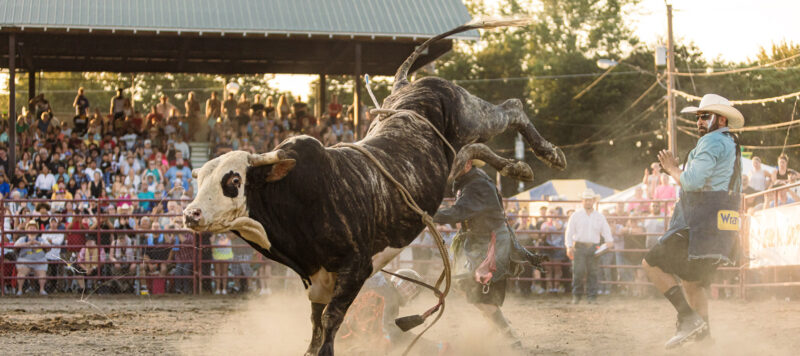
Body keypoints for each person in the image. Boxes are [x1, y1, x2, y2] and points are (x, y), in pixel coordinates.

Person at [644, 93, 744, 349]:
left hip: (699, 223)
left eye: (705, 116)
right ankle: (705, 338)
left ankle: (688, 318)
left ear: (721, 119)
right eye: (698, 116)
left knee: (651, 264)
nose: (699, 121)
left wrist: (673, 169)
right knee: (692, 281)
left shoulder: (711, 142)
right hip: (720, 228)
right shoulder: (731, 142)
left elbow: (692, 182)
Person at [433, 159, 548, 349]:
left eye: (456, 164)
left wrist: (429, 214)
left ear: (468, 164)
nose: (450, 168)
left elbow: (458, 212)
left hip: (490, 244)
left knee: (482, 295)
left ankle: (509, 337)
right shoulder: (467, 181)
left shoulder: (477, 184)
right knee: (465, 287)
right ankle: (499, 326)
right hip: (477, 241)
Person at [337, 269, 450, 355]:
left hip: (345, 328)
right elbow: (391, 330)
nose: (412, 294)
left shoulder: (383, 287)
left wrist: (420, 318)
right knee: (401, 337)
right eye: (413, 290)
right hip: (353, 336)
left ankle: (435, 348)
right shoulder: (388, 296)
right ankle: (436, 349)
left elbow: (390, 325)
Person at [564, 189, 614, 304]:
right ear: (582, 201)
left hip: (594, 247)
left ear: (593, 201)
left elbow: (606, 230)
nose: (587, 202)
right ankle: (577, 296)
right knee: (578, 272)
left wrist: (609, 240)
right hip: (580, 247)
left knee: (593, 272)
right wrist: (569, 246)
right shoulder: (576, 216)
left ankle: (591, 297)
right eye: (586, 200)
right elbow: (569, 232)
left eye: (589, 200)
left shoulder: (599, 216)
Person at [15, 220, 51, 295]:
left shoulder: (41, 239)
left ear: (37, 230)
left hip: (39, 261)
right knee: (21, 273)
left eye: (34, 227)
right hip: (25, 261)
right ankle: (20, 290)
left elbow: (49, 247)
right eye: (30, 227)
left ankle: (42, 290)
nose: (32, 229)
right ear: (27, 230)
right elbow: (15, 246)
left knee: (42, 275)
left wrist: (37, 243)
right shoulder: (23, 239)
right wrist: (27, 244)